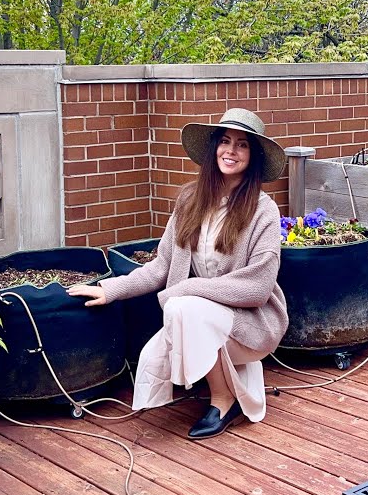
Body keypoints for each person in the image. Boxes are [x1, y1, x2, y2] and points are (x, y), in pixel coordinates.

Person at [67, 108, 288, 440]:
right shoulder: (190, 199)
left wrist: (189, 289)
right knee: (183, 307)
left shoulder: (263, 210)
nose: (231, 151)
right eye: (225, 141)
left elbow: (257, 288)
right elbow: (161, 267)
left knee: (182, 306)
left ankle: (224, 400)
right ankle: (225, 380)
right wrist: (111, 289)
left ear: (253, 156)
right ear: (214, 148)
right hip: (203, 318)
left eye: (242, 145)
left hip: (251, 324)